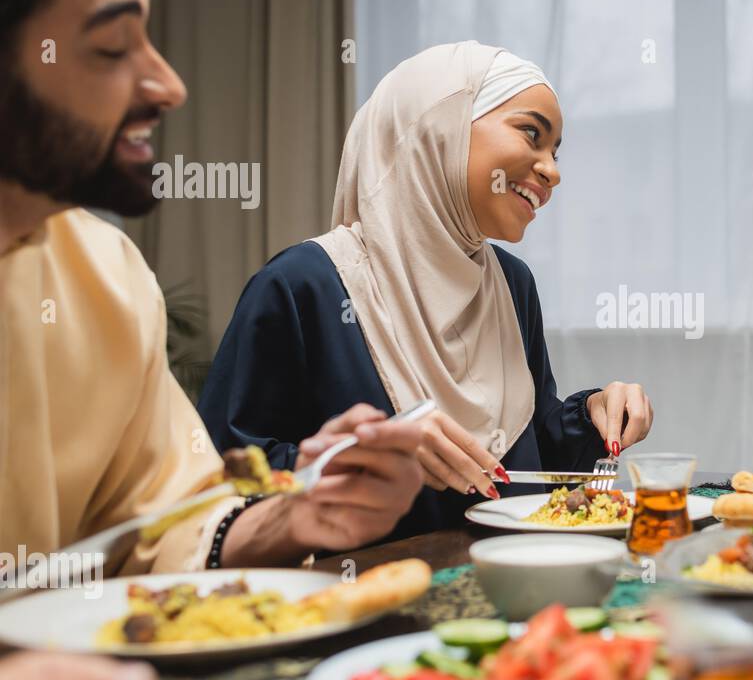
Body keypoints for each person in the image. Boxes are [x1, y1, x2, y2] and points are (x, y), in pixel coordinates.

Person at [0, 0, 423, 680]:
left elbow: (159, 525)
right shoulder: (305, 278)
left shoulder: (104, 274)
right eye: (114, 44)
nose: (168, 82)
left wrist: (298, 513)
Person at [199, 42, 655, 536]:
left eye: (555, 150)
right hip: (363, 599)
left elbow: (527, 455)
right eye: (531, 133)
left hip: (512, 592)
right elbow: (224, 477)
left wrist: (591, 416)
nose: (553, 170)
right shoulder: (303, 286)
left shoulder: (512, 284)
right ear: (441, 127)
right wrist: (374, 456)